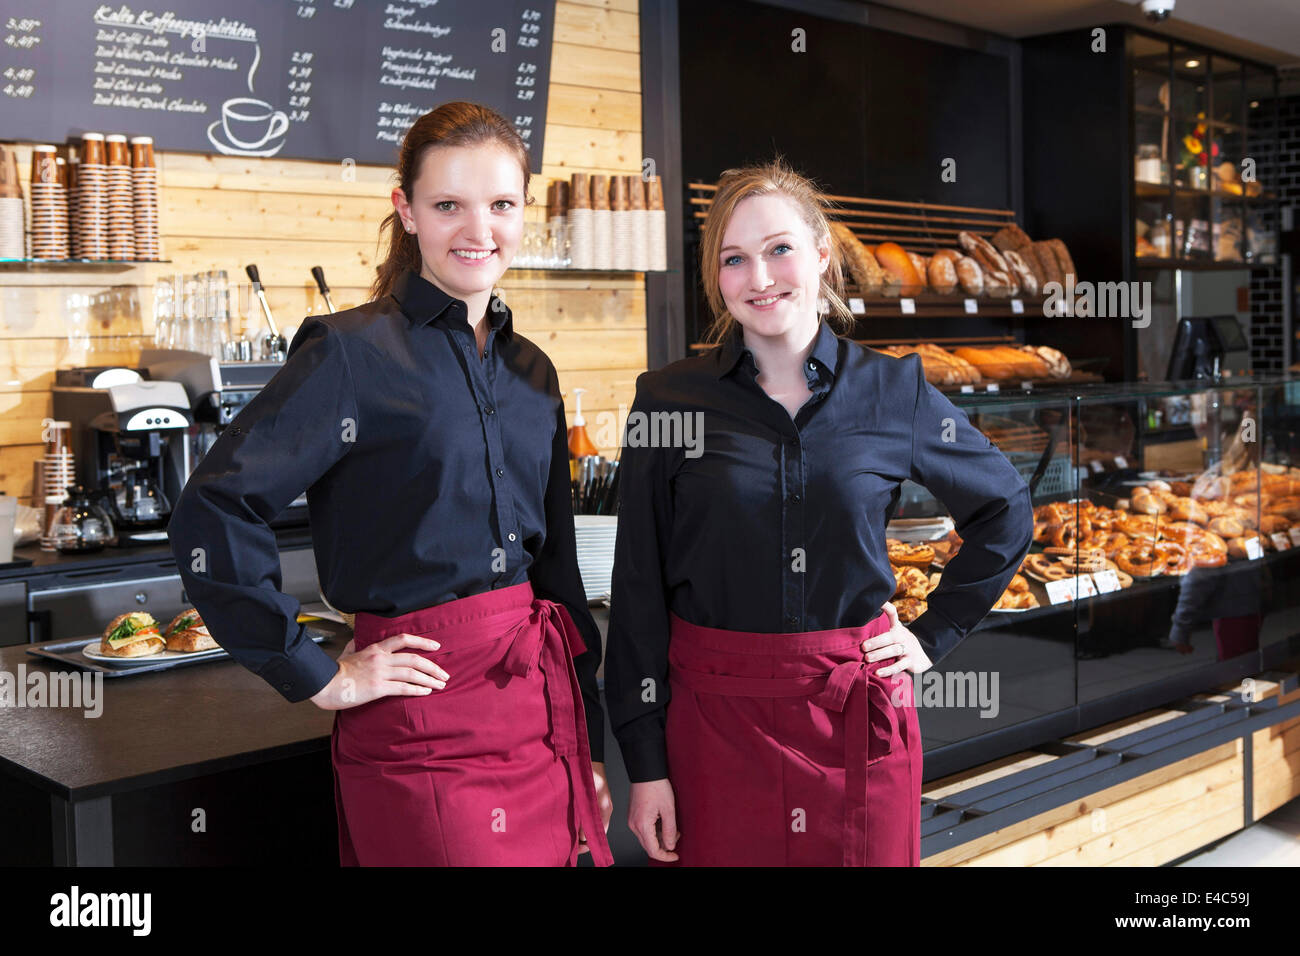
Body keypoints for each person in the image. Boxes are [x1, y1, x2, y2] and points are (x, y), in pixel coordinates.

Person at [168, 101, 613, 866]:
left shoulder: (532, 370)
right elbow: (215, 505)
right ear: (405, 210)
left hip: (540, 718)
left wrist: (588, 740)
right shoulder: (349, 352)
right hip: (420, 716)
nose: (479, 232)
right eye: (448, 206)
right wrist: (315, 671)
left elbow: (557, 571)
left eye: (501, 205)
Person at [604, 159, 1035, 866]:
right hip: (713, 729)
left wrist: (937, 633)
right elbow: (638, 588)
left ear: (822, 254)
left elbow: (1005, 506)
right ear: (717, 277)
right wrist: (645, 764)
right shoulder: (670, 400)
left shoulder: (892, 389)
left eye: (779, 249)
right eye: (734, 259)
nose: (760, 277)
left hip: (854, 723)